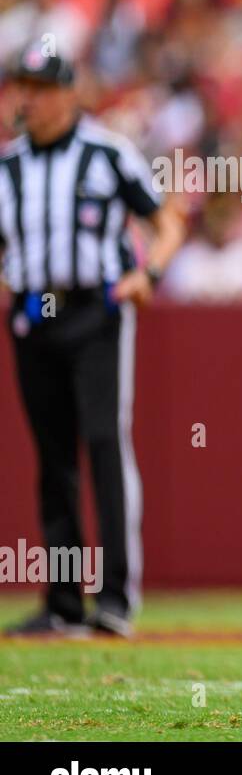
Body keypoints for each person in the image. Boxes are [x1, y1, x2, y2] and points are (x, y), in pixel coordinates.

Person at [0, 45, 186, 637]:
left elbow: (166, 220)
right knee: (53, 459)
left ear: (68, 93)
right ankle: (62, 604)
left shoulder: (107, 153)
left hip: (95, 311)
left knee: (104, 443)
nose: (28, 98)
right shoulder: (8, 167)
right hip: (33, 313)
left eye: (40, 86)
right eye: (22, 85)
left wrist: (148, 273)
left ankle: (115, 598)